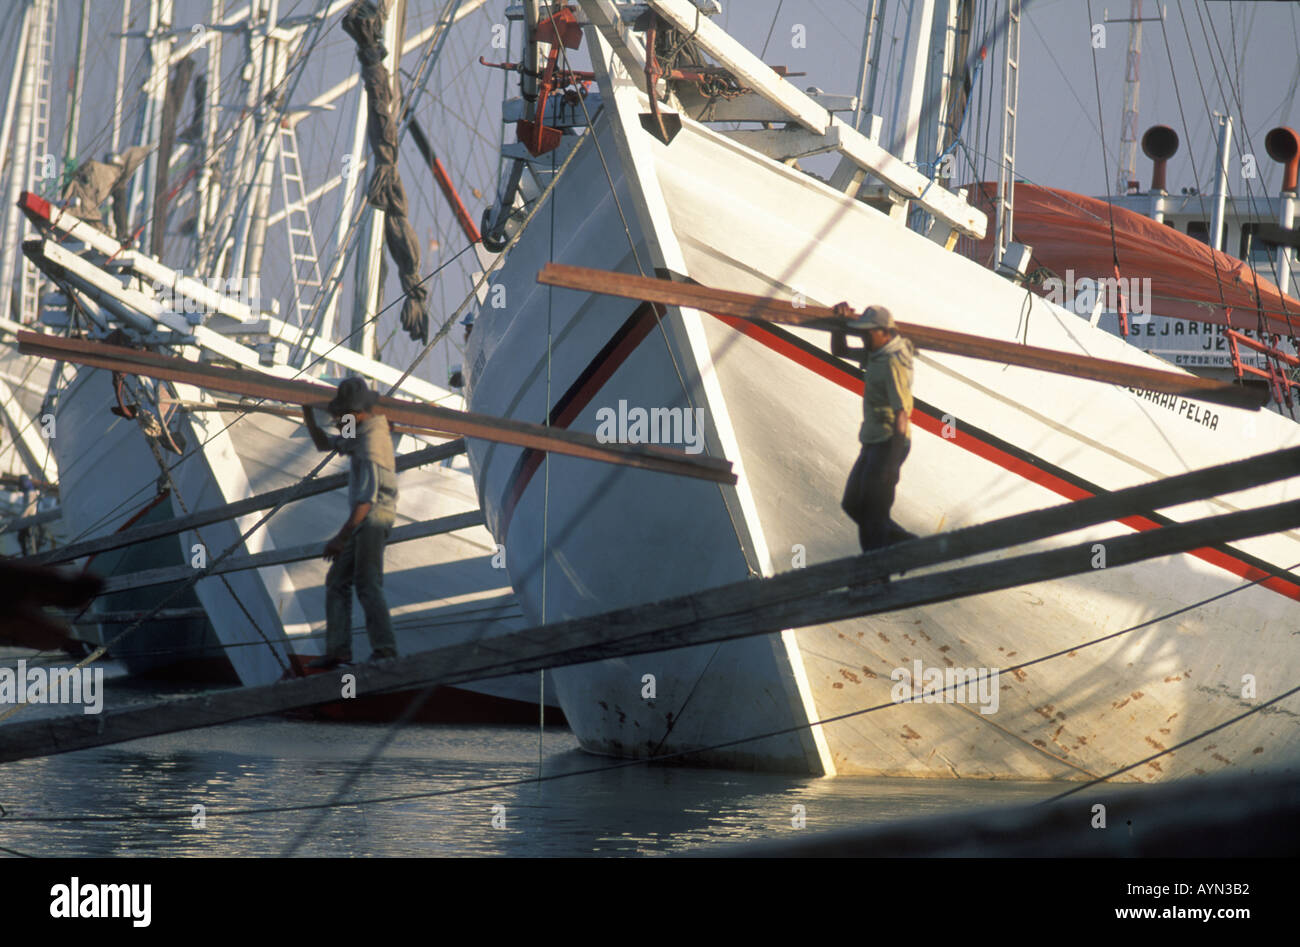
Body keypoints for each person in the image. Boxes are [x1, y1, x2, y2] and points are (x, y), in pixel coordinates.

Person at [301, 377, 399, 667]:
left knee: (367, 583)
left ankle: (385, 651)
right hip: (365, 518)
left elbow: (367, 500)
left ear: (355, 412)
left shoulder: (371, 440)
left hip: (373, 517)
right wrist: (307, 414)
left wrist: (340, 538)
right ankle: (339, 652)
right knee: (337, 582)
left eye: (343, 414)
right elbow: (324, 444)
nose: (339, 420)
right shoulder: (362, 430)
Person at [831, 303, 916, 553]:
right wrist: (839, 324)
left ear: (884, 333)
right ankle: (907, 546)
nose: (863, 337)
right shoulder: (875, 353)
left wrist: (891, 465)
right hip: (873, 441)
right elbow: (840, 350)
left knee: (873, 512)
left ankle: (875, 574)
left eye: (867, 333)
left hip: (890, 442)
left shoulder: (893, 361)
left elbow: (902, 414)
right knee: (853, 504)